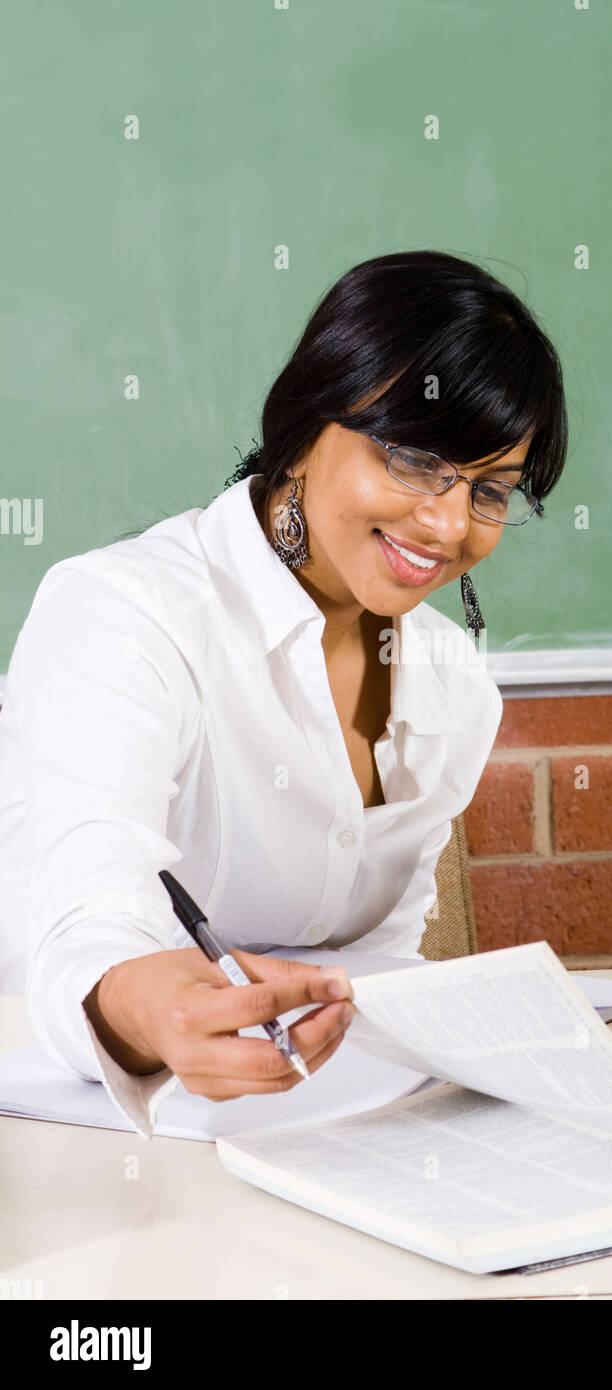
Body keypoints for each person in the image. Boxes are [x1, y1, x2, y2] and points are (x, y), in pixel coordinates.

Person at [0, 248, 568, 1138]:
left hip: (306, 1130)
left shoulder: (453, 687)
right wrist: (172, 1018)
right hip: (65, 1132)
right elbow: (86, 923)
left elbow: (373, 971)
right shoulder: (124, 615)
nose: (451, 525)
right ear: (306, 427)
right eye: (418, 461)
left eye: (490, 490)